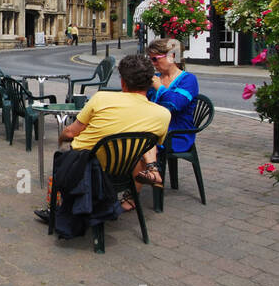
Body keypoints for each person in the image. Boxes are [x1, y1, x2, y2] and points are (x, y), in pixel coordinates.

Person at [34, 54, 170, 221]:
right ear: (151, 82)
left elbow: (70, 132)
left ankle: (54, 208)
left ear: (122, 81)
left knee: (62, 157)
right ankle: (132, 196)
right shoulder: (163, 114)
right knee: (144, 147)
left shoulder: (101, 98)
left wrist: (61, 139)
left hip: (89, 171)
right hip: (125, 172)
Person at [136, 38, 201, 187]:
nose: (153, 63)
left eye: (155, 59)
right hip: (155, 128)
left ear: (171, 57)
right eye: (150, 59)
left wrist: (159, 88)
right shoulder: (156, 79)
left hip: (177, 133)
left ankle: (132, 195)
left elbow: (176, 104)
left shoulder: (188, 79)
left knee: (138, 143)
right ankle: (143, 179)